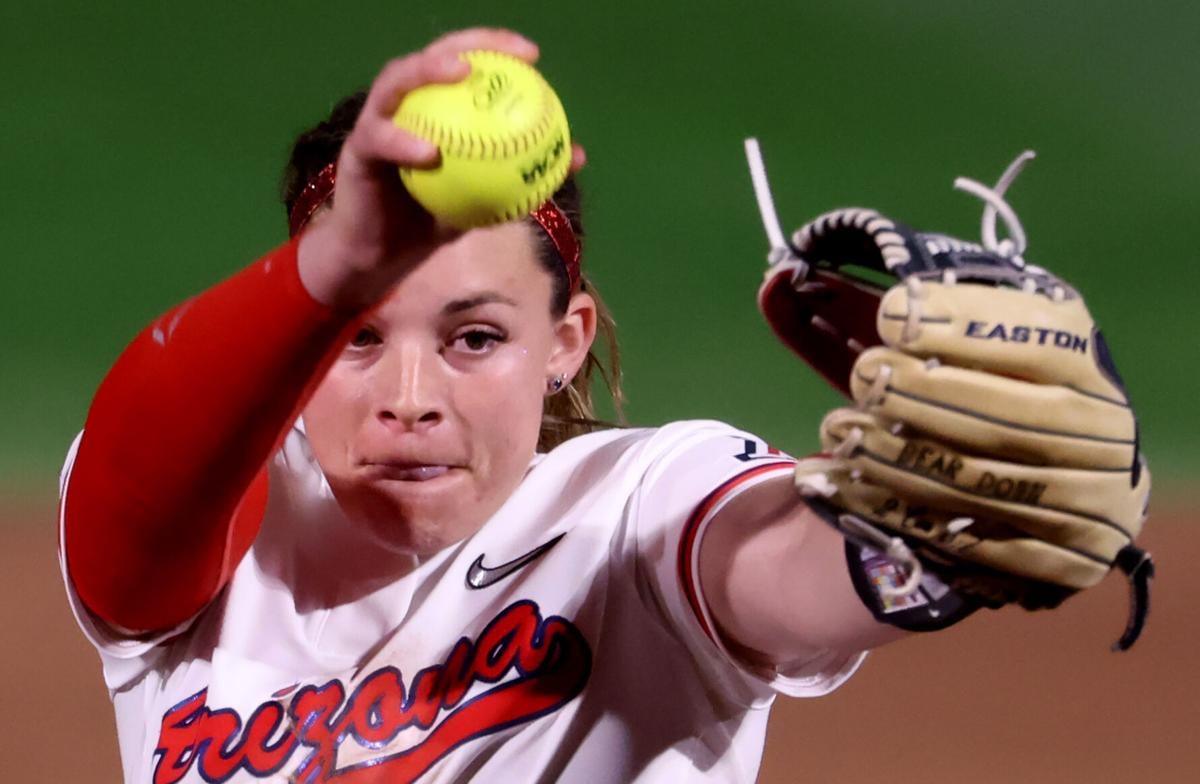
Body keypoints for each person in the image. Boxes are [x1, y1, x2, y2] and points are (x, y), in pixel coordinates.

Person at [58, 26, 1147, 784]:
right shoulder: (229, 519)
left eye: (475, 338)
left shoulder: (635, 508)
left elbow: (778, 570)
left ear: (564, 342)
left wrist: (915, 538)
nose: (410, 401)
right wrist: (333, 265)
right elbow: (137, 487)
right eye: (356, 337)